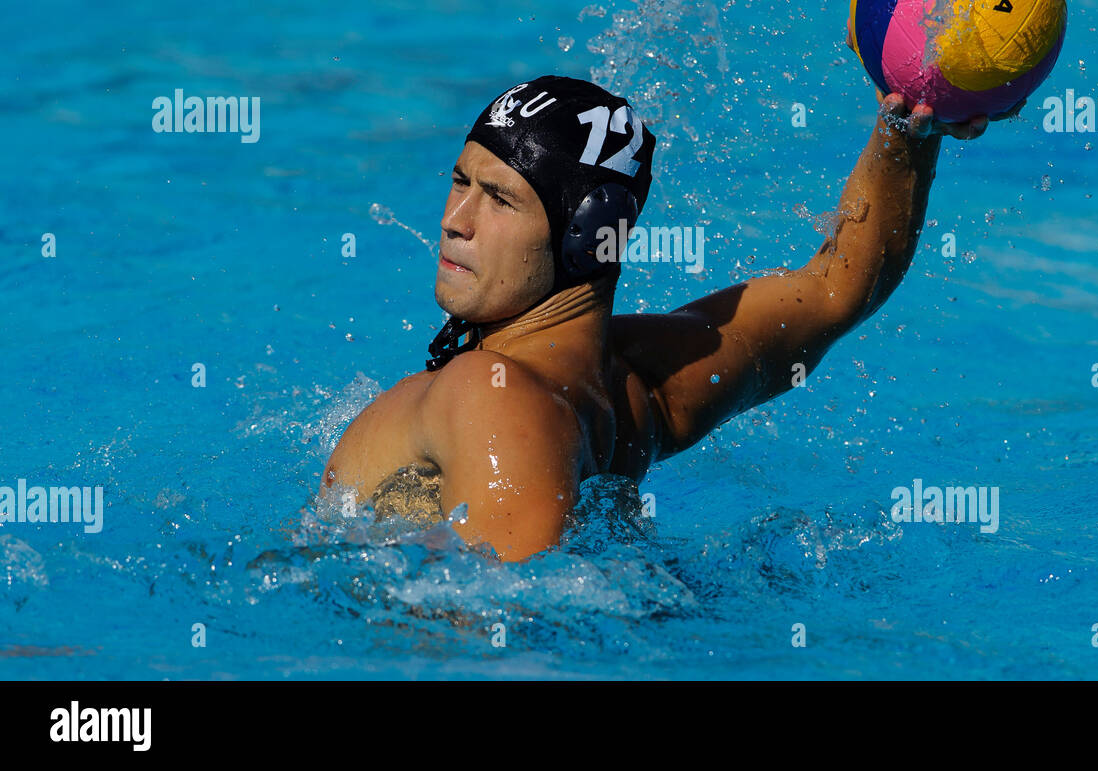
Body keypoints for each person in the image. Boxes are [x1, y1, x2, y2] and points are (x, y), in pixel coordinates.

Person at [320, 59, 1022, 560]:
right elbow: (509, 641)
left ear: (588, 231)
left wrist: (913, 126)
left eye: (499, 197)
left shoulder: (628, 386)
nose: (453, 219)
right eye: (459, 180)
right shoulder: (519, 397)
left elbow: (838, 286)